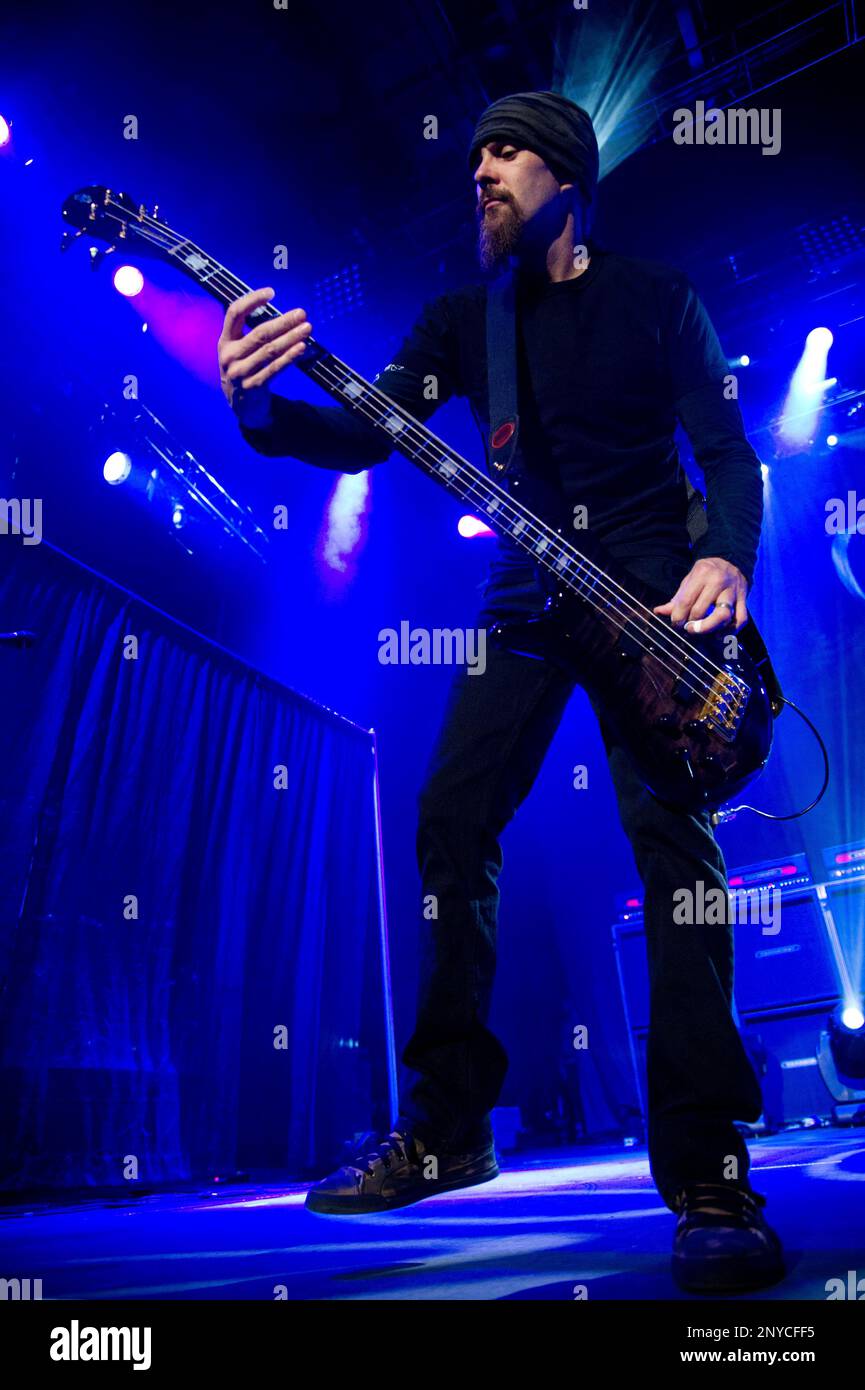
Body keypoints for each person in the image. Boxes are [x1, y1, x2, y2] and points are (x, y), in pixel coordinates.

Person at [217, 91, 784, 1293]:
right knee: (450, 822)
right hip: (527, 603)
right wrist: (262, 411)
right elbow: (370, 435)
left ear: (568, 179)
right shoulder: (463, 323)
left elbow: (729, 452)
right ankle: (449, 1125)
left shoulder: (657, 298)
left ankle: (706, 1167)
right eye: (476, 149)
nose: (482, 166)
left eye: (510, 149)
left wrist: (723, 556)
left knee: (673, 852)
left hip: (656, 606)